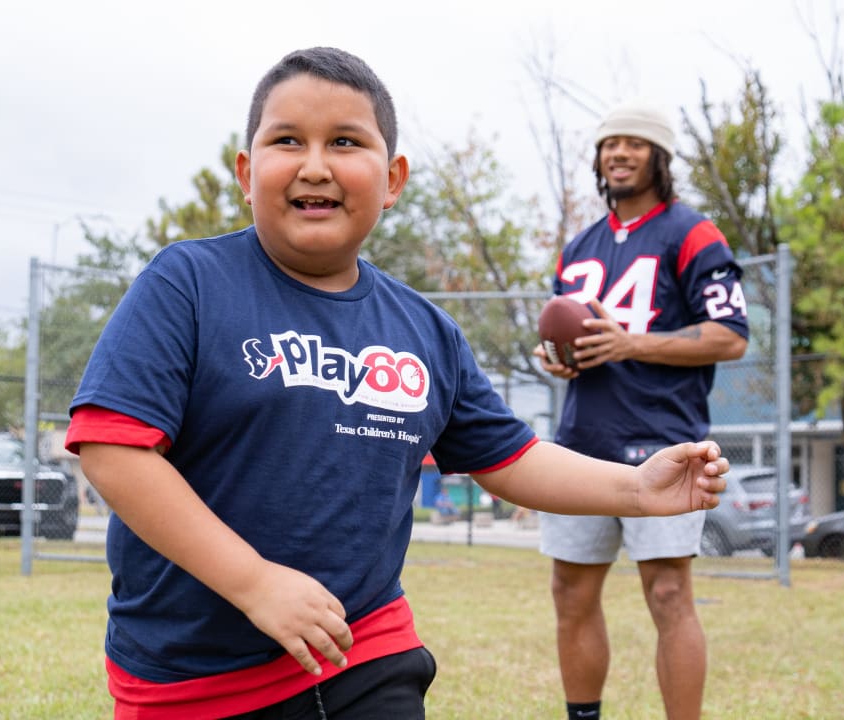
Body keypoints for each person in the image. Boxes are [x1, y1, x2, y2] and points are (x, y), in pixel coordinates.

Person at [65, 48, 730, 719]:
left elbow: (510, 457)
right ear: (246, 172)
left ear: (392, 179)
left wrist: (636, 487)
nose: (316, 164)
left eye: (346, 142)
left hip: (365, 651)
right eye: (287, 140)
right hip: (193, 679)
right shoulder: (187, 284)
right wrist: (254, 583)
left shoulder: (424, 330)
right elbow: (114, 450)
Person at [533, 101, 749, 720]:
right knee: (570, 592)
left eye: (633, 143)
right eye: (609, 144)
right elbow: (565, 331)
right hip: (582, 440)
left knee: (669, 591)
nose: (618, 154)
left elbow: (730, 335)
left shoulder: (692, 232)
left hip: (661, 440)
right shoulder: (579, 246)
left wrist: (631, 344)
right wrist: (558, 357)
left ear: (659, 156)